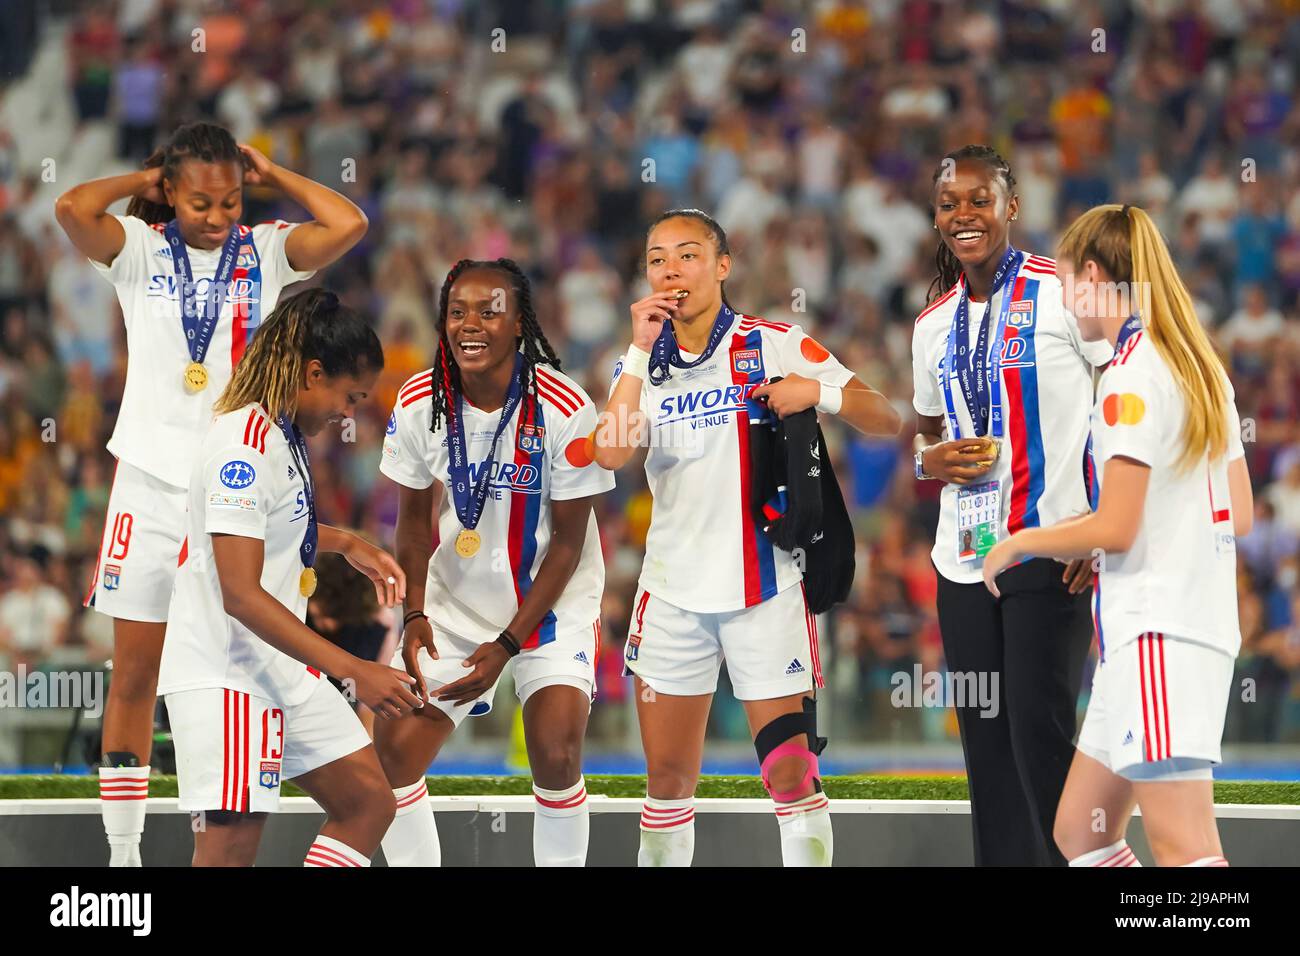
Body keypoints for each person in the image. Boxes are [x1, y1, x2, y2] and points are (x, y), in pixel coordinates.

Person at [53, 121, 368, 866]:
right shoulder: (137, 248)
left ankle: (229, 817)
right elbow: (70, 208)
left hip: (233, 482)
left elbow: (349, 224)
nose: (219, 217)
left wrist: (274, 172)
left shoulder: (261, 253)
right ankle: (123, 855)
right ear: (171, 194)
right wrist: (143, 184)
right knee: (133, 674)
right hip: (149, 483)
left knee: (234, 652)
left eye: (231, 201)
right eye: (200, 203)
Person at [595, 208, 900, 867]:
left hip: (766, 592)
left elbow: (886, 415)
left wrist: (816, 390)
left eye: (688, 254)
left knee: (791, 776)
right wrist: (637, 351)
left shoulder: (773, 341)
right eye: (656, 258)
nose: (670, 269)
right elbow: (610, 453)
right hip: (672, 597)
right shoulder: (639, 365)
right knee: (668, 784)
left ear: (723, 265)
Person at [983, 204, 1253, 867]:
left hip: (1157, 630)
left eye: (1068, 280)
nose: (1064, 298)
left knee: (1183, 845)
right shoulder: (1196, 365)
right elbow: (1238, 513)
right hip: (1160, 632)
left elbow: (1118, 525)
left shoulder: (1131, 375)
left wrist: (1021, 542)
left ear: (1095, 275)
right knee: (1082, 831)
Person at [158, 288, 421, 867]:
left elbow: (272, 526)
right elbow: (240, 594)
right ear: (312, 372)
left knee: (368, 802)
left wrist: (346, 542)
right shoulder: (244, 447)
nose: (349, 413)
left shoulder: (283, 435)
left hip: (278, 668)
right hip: (225, 674)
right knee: (227, 853)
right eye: (349, 396)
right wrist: (356, 670)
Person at [910, 145, 1113, 866]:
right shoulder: (931, 324)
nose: (963, 214)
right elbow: (928, 435)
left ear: (1012, 207)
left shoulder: (1066, 291)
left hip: (1048, 547)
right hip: (962, 560)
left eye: (979, 199)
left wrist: (1102, 531)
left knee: (1040, 731)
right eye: (949, 203)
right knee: (986, 749)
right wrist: (926, 461)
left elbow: (1121, 402)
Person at [374, 258, 613, 867]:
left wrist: (508, 644)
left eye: (489, 311)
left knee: (556, 755)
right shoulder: (419, 399)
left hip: (550, 607)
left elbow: (567, 545)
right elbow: (411, 523)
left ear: (519, 325)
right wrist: (416, 613)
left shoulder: (566, 406)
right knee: (392, 754)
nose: (469, 325)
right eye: (457, 312)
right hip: (453, 608)